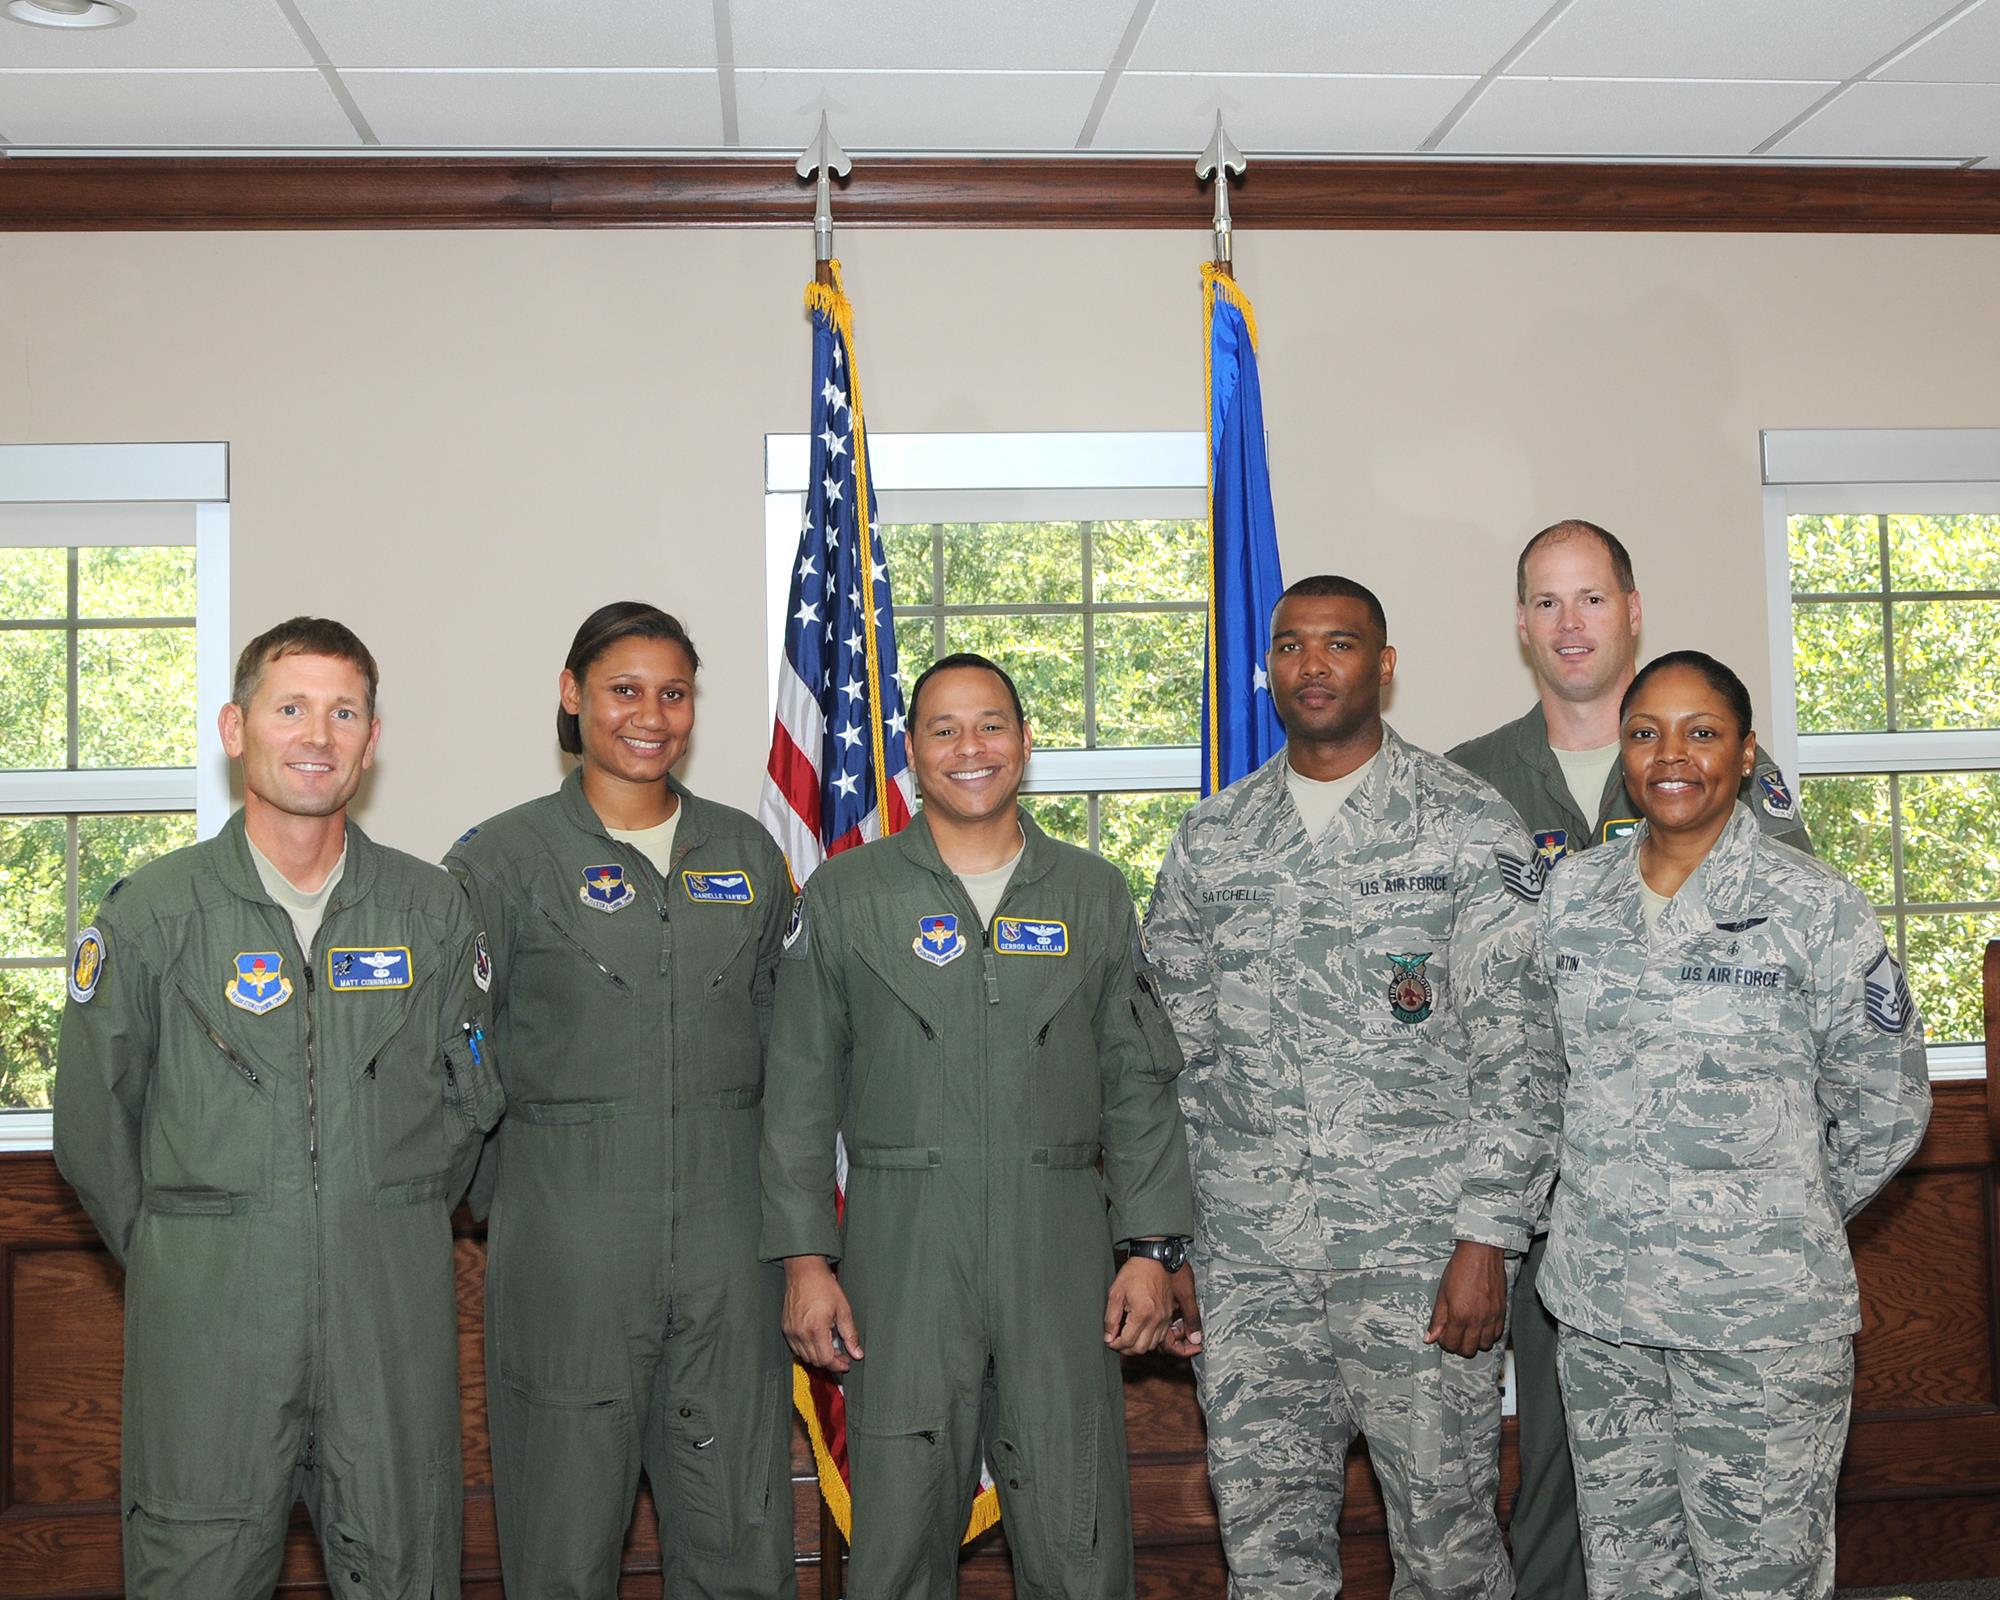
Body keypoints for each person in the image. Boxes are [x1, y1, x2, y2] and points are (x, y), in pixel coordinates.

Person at [54, 616, 502, 1600]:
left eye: (344, 712)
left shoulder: (430, 912)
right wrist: (187, 1247)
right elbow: (93, 1122)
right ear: (234, 727)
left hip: (388, 1316)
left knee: (406, 1569)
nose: (317, 735)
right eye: (291, 707)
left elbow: (468, 1107)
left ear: (371, 740)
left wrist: (377, 1218)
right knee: (194, 1571)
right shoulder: (155, 915)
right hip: (210, 1327)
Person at [1146, 575, 1560, 1599]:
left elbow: (1519, 1051)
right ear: (1267, 668)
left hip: (1419, 1259)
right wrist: (1168, 1243)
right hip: (1249, 1264)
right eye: (1290, 644)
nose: (1312, 664)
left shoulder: (1466, 824)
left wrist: (1486, 1240)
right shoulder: (1212, 840)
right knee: (1266, 1546)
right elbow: (1169, 1062)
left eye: (1339, 643)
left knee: (1447, 1546)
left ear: (1381, 665)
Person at [760, 651, 1196, 1600]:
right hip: (900, 1246)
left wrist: (1151, 1249)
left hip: (1060, 1245)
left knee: (1079, 1535)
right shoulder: (846, 895)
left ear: (1026, 743)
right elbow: (796, 1091)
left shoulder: (1091, 892)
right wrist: (804, 1262)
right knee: (899, 1540)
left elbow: (1139, 1082)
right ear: (911, 752)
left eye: (991, 725)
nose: (970, 747)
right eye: (945, 729)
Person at [1446, 518, 1812, 1600]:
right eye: (1547, 603)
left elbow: (1798, 961)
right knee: (1566, 1476)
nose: (1570, 625)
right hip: (1538, 1192)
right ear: (1520, 625)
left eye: (1592, 599)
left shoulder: (1709, 761)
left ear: (1633, 608)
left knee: (1730, 1490)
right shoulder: (1470, 784)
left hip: (1703, 1209)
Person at [1538, 650, 1930, 1600]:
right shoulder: (1571, 899)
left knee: (1763, 1580)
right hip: (1605, 1319)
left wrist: (1774, 1210)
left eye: (1702, 732)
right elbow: (1540, 1080)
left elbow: (1887, 1099)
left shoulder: (1814, 905)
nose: (1672, 754)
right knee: (1632, 1580)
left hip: (1762, 1325)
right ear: (1623, 757)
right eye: (1646, 733)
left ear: (1747, 754)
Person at [444, 602, 796, 1600]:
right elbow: (456, 1047)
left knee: (737, 1525)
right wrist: (499, 1196)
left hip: (732, 1237)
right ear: (573, 695)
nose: (651, 714)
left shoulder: (745, 853)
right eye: (624, 690)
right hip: (565, 1234)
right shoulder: (498, 861)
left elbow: (790, 1047)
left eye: (673, 692)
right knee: (562, 1533)